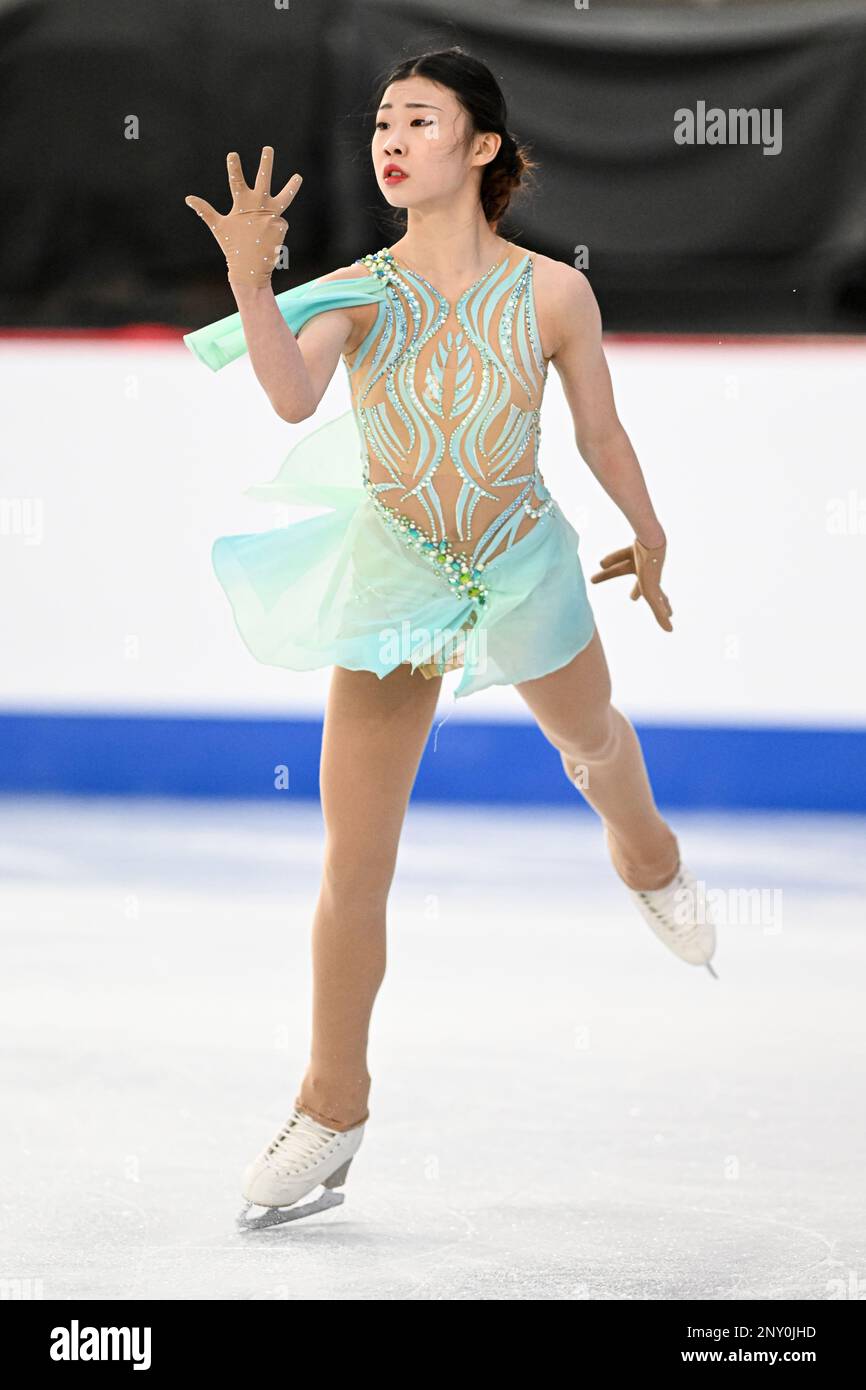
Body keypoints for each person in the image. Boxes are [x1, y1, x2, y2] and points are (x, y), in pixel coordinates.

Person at [184, 46, 718, 1229]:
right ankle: (330, 1107)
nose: (389, 137)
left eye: (417, 119)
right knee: (353, 859)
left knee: (593, 744)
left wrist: (647, 530)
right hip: (397, 580)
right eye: (380, 120)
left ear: (480, 147)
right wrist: (255, 284)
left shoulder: (551, 292)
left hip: (521, 556)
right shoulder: (358, 290)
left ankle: (648, 858)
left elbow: (598, 432)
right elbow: (286, 397)